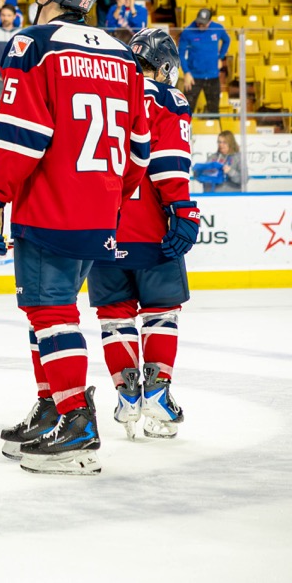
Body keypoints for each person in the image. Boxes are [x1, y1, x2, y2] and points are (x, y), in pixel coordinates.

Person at [0, 0, 150, 476]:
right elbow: (141, 147)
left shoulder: (33, 43)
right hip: (100, 209)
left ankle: (75, 422)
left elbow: (23, 135)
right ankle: (52, 406)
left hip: (50, 203)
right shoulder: (122, 54)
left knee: (51, 313)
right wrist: (113, 197)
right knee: (49, 313)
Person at [85, 28, 196, 442]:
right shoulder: (168, 98)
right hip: (152, 226)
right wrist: (183, 211)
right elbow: (168, 162)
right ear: (164, 65)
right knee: (161, 313)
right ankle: (158, 395)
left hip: (99, 228)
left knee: (114, 316)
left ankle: (127, 395)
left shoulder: (107, 92)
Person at [178, 8, 230, 116]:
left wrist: (221, 57)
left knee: (214, 110)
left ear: (210, 21)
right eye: (199, 22)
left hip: (212, 76)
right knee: (186, 111)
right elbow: (181, 54)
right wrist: (186, 72)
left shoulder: (217, 28)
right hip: (193, 77)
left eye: (204, 23)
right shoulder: (187, 32)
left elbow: (227, 40)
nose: (201, 25)